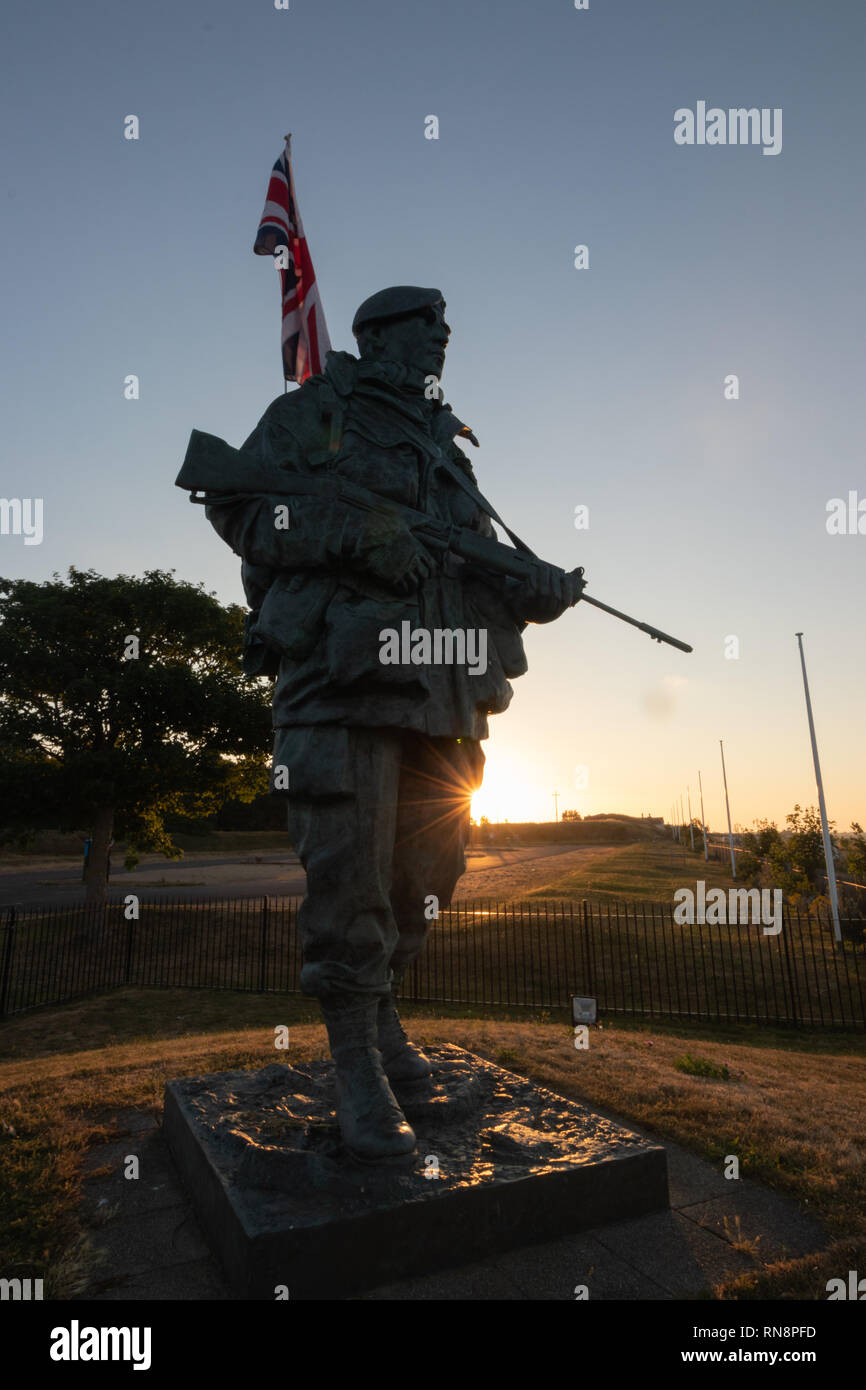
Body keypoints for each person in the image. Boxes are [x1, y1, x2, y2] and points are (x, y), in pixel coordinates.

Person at [204, 286, 579, 1159]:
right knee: (351, 875)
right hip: (346, 684)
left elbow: (468, 558)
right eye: (426, 327)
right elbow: (245, 510)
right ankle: (355, 1067)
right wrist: (351, 536)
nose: (443, 339)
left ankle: (384, 1027)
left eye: (445, 329)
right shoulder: (314, 417)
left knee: (428, 875)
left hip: (444, 694)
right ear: (377, 338)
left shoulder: (446, 450)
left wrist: (534, 589)